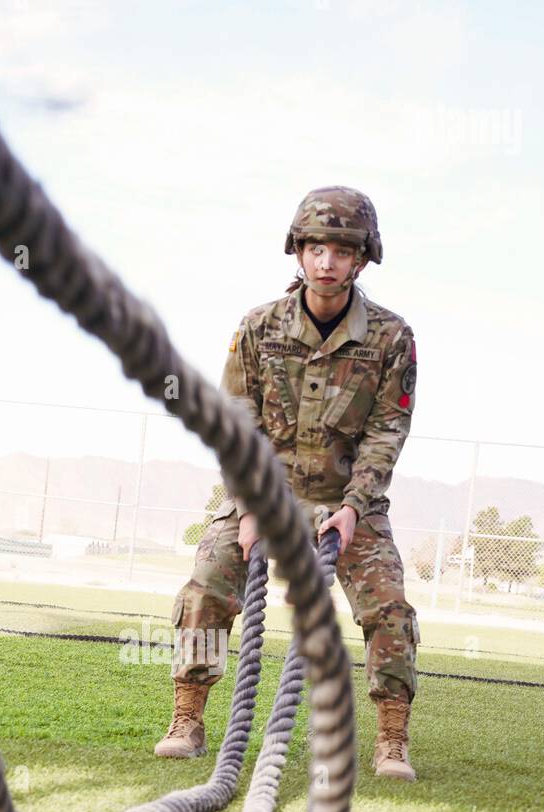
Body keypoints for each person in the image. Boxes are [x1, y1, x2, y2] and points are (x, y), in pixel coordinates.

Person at [154, 185, 420, 780]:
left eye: (342, 250)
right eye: (315, 247)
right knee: (206, 587)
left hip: (351, 502)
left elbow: (386, 432)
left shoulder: (391, 338)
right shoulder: (256, 327)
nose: (327, 262)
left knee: (391, 608)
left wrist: (353, 510)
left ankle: (393, 738)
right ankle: (188, 718)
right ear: (297, 252)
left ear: (362, 258)